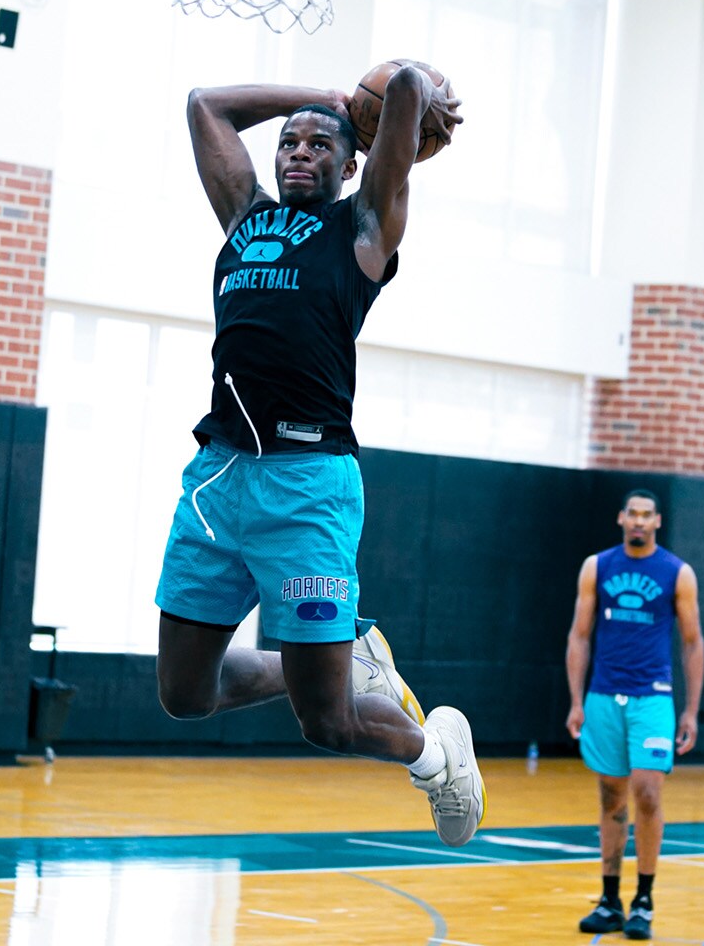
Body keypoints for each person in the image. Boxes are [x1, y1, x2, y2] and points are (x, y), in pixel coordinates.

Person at [151, 67, 485, 847]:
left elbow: (406, 88)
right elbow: (205, 104)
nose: (299, 152)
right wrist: (319, 99)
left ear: (352, 164)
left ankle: (436, 754)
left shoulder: (362, 231)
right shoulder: (244, 218)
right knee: (184, 695)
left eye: (320, 145)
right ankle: (340, 658)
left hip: (307, 490)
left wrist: (390, 96)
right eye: (289, 144)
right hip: (218, 478)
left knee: (327, 723)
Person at [566, 489, 704, 941]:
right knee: (611, 797)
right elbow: (579, 636)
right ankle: (609, 900)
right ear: (621, 518)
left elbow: (693, 643)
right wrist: (576, 700)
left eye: (648, 515)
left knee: (646, 792)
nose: (640, 521)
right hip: (604, 696)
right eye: (634, 514)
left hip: (653, 698)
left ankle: (643, 900)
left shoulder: (677, 573)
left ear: (657, 521)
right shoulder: (597, 566)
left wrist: (690, 710)